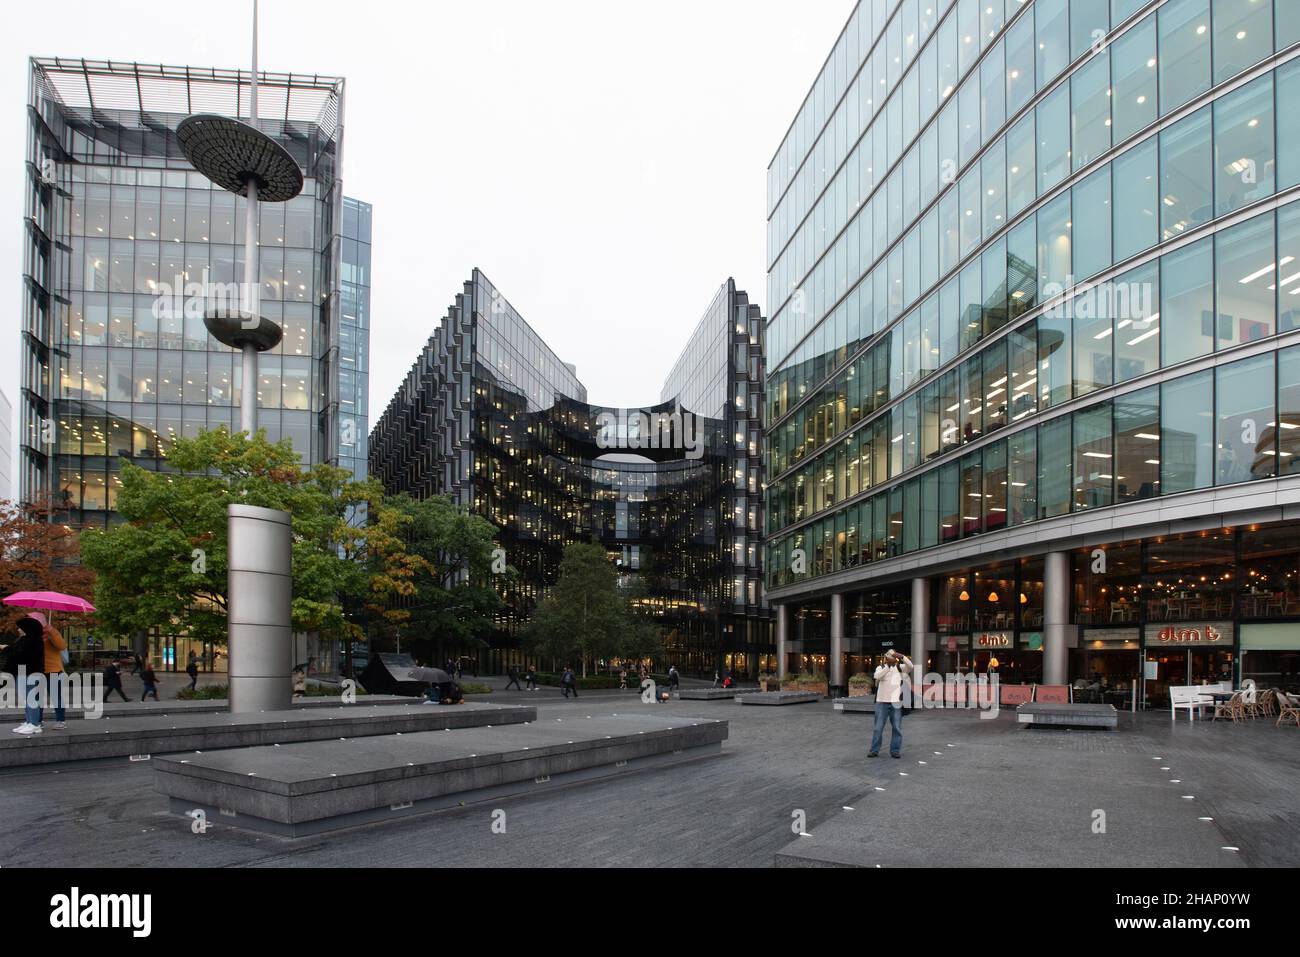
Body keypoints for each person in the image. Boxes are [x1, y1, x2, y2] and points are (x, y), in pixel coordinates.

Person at [869, 650, 913, 759]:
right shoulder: (880, 667)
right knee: (878, 728)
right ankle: (874, 750)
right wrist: (888, 666)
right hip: (881, 702)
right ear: (885, 659)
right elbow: (877, 676)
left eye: (892, 657)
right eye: (888, 657)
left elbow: (911, 666)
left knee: (897, 728)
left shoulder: (900, 668)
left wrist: (902, 656)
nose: (890, 659)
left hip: (896, 702)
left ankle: (895, 750)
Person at [7, 616, 47, 735]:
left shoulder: (32, 640)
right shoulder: (26, 639)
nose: (18, 629)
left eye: (21, 627)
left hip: (30, 673)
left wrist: (6, 649)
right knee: (26, 699)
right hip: (23, 672)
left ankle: (34, 724)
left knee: (30, 699)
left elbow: (21, 655)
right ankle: (30, 722)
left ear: (27, 628)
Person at [37, 613, 68, 731]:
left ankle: (61, 721)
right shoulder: (34, 634)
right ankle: (37, 720)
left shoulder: (52, 632)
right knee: (37, 697)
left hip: (54, 670)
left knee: (56, 696)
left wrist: (51, 631)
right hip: (39, 670)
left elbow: (62, 645)